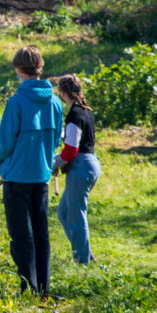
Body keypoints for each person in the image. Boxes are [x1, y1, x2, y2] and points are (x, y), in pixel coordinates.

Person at [0, 46, 64, 296]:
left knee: (21, 234)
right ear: (40, 67)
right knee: (41, 232)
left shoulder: (16, 102)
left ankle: (28, 287)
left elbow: (8, 140)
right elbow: (56, 141)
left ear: (18, 69)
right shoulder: (55, 102)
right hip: (41, 175)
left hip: (17, 176)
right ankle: (44, 288)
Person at [53, 74, 100, 264]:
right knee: (64, 212)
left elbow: (71, 150)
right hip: (90, 163)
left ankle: (82, 261)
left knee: (76, 217)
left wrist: (56, 163)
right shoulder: (85, 110)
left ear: (64, 92)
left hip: (81, 166)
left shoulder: (74, 114)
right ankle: (85, 253)